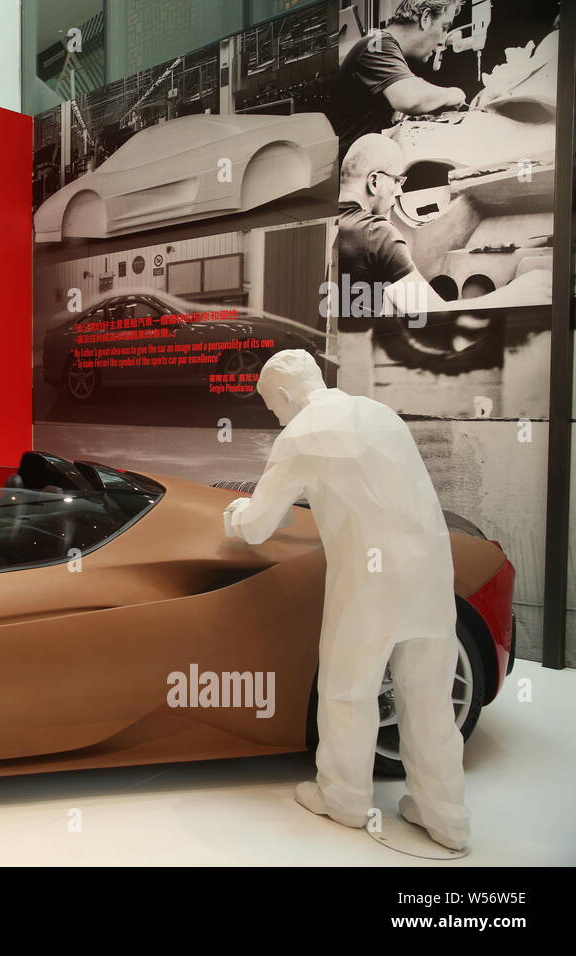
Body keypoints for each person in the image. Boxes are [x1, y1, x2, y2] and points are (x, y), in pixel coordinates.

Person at [223, 350, 470, 851]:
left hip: (369, 580)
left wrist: (235, 511)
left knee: (347, 689)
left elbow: (256, 526)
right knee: (428, 698)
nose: (277, 417)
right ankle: (445, 815)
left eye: (273, 407)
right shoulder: (381, 415)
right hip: (430, 572)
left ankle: (345, 797)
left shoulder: (301, 434)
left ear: (287, 395)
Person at [337, 133, 551, 321]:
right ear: (374, 182)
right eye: (398, 181)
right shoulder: (377, 233)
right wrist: (516, 294)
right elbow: (433, 316)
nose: (400, 192)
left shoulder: (327, 226)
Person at [331, 0, 466, 160]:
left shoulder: (385, 47)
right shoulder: (377, 45)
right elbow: (409, 99)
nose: (443, 40)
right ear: (426, 18)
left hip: (366, 166)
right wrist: (451, 94)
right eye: (444, 27)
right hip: (353, 173)